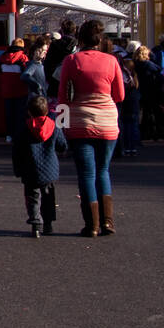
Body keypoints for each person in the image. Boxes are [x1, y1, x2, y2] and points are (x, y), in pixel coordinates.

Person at [59, 19, 124, 236]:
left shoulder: (71, 60)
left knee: (86, 173)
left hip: (80, 122)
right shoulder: (111, 60)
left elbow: (62, 97)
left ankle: (92, 225)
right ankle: (108, 221)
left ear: (80, 38)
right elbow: (120, 95)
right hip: (107, 121)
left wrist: (62, 125)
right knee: (103, 170)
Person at [12, 95, 67, 237]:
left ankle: (36, 223)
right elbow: (62, 146)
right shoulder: (53, 126)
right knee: (48, 197)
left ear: (29, 111)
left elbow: (17, 150)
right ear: (47, 111)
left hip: (30, 169)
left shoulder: (24, 128)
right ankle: (48, 224)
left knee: (33, 197)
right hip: (50, 170)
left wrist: (18, 169)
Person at [133, 45, 164, 142]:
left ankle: (143, 133)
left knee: (142, 112)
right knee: (152, 112)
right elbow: (159, 69)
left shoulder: (134, 64)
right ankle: (154, 132)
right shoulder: (148, 64)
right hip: (150, 90)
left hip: (139, 90)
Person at [0, 37, 30, 143]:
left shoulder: (2, 57)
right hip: (21, 90)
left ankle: (9, 135)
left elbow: (0, 72)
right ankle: (19, 134)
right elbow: (27, 74)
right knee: (20, 114)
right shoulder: (23, 58)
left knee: (9, 114)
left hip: (7, 90)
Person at [44, 19, 77, 96]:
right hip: (72, 84)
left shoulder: (54, 45)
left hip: (54, 82)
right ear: (75, 30)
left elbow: (47, 64)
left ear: (62, 30)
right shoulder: (77, 46)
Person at [118, 57, 141, 157]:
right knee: (133, 126)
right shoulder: (134, 77)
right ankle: (133, 147)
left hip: (126, 104)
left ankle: (127, 147)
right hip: (134, 105)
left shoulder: (124, 78)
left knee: (125, 126)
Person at [20, 36, 49, 101]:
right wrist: (37, 85)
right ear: (36, 50)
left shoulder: (42, 64)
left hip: (42, 99)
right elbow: (24, 76)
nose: (45, 52)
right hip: (36, 101)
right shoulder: (33, 65)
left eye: (45, 50)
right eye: (43, 50)